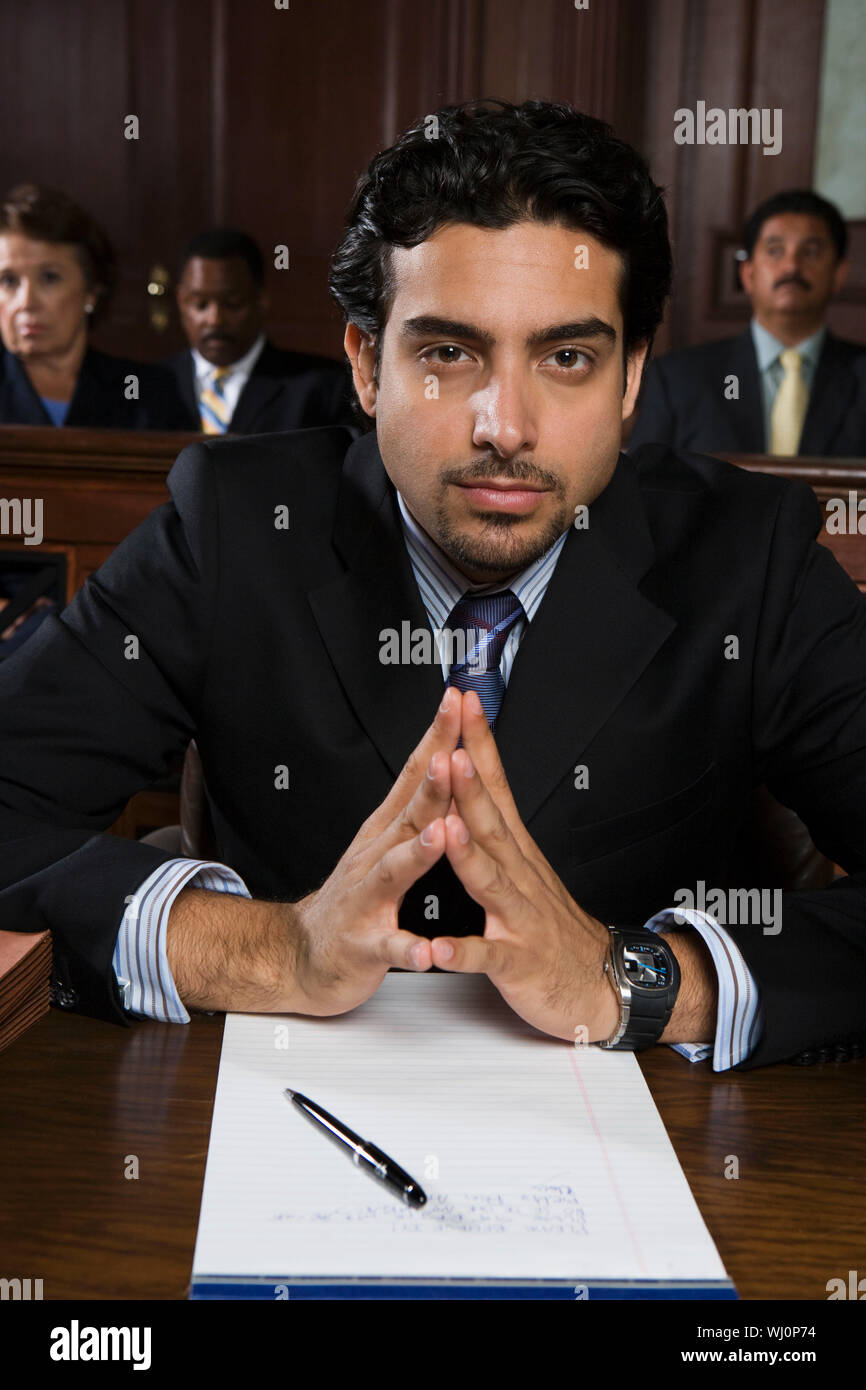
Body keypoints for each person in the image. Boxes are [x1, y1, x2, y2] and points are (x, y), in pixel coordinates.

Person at [0, 101, 863, 1072]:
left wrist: (631, 979)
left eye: (566, 357)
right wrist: (269, 950)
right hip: (279, 1123)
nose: (505, 423)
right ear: (366, 364)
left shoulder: (751, 559)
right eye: (448, 353)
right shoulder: (233, 527)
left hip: (661, 1153)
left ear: (629, 382)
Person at [628, 190, 866, 457]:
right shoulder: (678, 379)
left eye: (810, 252)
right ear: (748, 273)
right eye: (775, 251)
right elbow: (642, 486)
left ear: (839, 273)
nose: (791, 266)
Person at [0, 184, 189, 429]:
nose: (26, 302)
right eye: (9, 281)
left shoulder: (147, 392)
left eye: (49, 278)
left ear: (91, 291)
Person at [162, 227, 356, 434]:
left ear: (261, 300)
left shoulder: (323, 387)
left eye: (233, 304)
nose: (215, 320)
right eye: (200, 305)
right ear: (181, 302)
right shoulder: (155, 383)